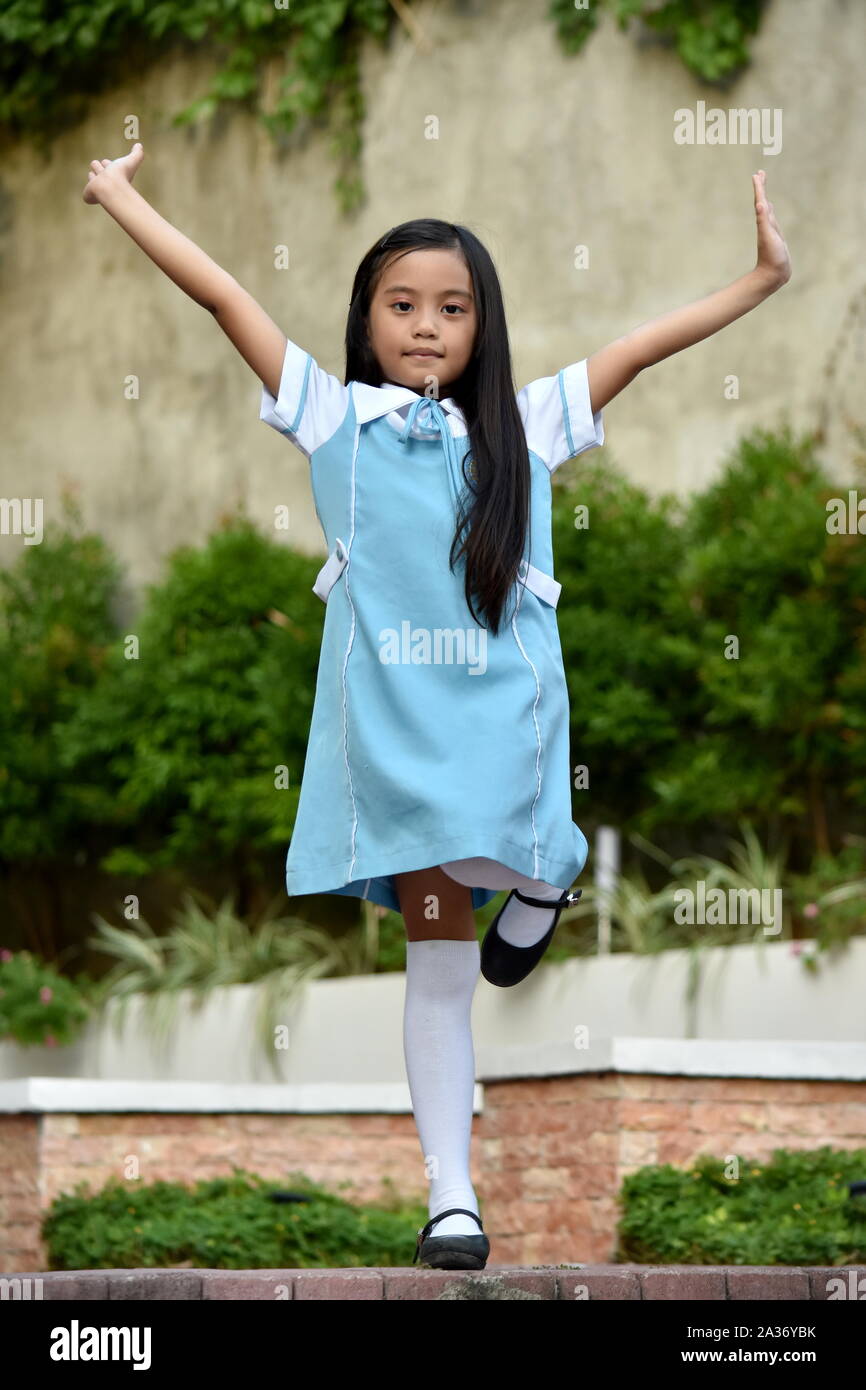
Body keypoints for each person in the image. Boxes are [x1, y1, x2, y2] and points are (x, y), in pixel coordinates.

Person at [83, 148, 791, 1268]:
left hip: (505, 726)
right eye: (401, 304)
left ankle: (543, 886)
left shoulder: (524, 423)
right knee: (436, 964)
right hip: (399, 744)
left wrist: (758, 279)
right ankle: (450, 1198)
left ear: (481, 324)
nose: (425, 325)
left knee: (533, 855)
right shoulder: (329, 417)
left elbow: (640, 346)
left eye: (451, 308)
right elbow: (223, 292)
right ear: (366, 318)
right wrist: (119, 196)